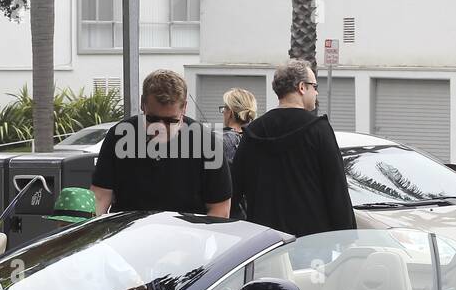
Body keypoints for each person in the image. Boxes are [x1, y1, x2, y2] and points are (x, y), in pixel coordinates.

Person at [231, 58, 355, 237]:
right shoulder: (318, 130)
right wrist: (346, 238)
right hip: (312, 242)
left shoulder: (253, 132)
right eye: (315, 86)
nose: (317, 92)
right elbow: (336, 190)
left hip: (264, 242)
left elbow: (235, 189)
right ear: (302, 87)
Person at [91, 69, 231, 218]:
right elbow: (100, 196)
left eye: (171, 121)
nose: (161, 128)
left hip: (187, 237)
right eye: (153, 119)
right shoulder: (119, 135)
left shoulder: (206, 143)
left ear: (184, 107)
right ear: (142, 104)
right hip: (130, 235)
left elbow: (219, 209)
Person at [219, 87, 257, 219]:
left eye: (224, 108)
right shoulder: (258, 138)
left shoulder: (221, 140)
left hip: (228, 212)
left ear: (229, 112)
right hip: (255, 213)